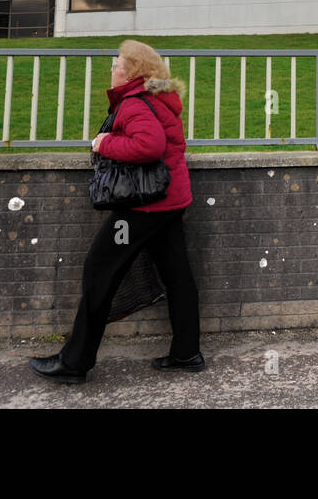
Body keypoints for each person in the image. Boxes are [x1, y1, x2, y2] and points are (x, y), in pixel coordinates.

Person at [29, 39, 203, 383]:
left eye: (117, 63)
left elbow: (148, 145)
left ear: (132, 71)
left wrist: (104, 142)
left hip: (145, 206)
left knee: (99, 268)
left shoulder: (135, 103)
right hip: (170, 201)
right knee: (177, 275)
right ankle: (187, 353)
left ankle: (75, 361)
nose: (112, 68)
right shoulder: (157, 98)